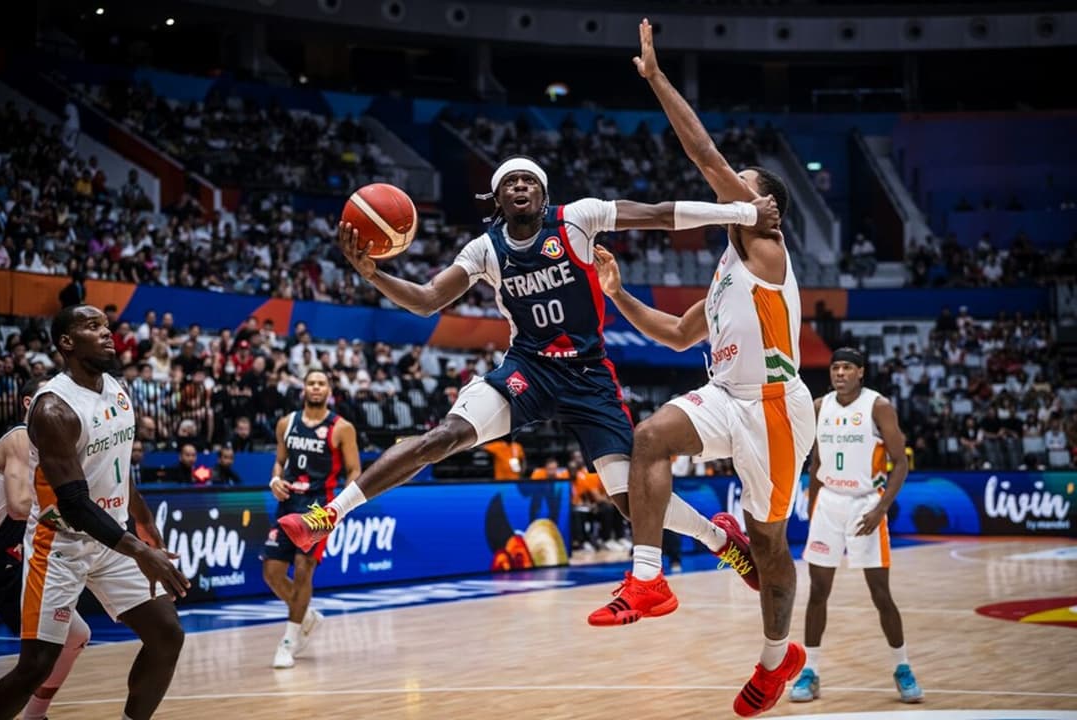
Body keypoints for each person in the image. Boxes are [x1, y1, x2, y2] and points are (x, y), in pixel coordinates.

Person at [276, 151, 779, 585]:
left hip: (588, 376)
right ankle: (329, 514)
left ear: (543, 193)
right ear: (497, 201)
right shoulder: (485, 249)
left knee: (632, 503)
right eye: (510, 183)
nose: (520, 187)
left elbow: (659, 214)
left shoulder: (578, 218)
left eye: (529, 181)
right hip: (528, 371)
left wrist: (737, 211)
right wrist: (374, 274)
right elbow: (429, 300)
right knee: (442, 437)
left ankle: (720, 539)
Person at [584, 20, 815, 719]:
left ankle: (778, 662)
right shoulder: (725, 270)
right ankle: (648, 578)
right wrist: (619, 292)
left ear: (763, 207)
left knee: (771, 544)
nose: (727, 191)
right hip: (725, 395)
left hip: (776, 405)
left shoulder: (763, 241)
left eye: (740, 188)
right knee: (649, 437)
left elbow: (705, 155)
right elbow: (676, 335)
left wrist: (655, 77)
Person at [0, 304, 189, 720]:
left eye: (106, 325)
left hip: (113, 539)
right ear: (66, 343)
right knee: (35, 666)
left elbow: (120, 472)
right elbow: (75, 504)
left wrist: (147, 525)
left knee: (167, 636)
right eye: (92, 326)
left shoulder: (116, 389)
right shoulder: (54, 408)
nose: (107, 332)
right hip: (60, 545)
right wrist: (140, 551)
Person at [790, 348, 923, 704]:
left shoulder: (878, 406)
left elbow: (901, 464)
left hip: (866, 504)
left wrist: (881, 509)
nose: (840, 373)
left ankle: (903, 666)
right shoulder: (820, 407)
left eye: (847, 367)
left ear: (861, 372)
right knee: (818, 592)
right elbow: (817, 458)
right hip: (829, 505)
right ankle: (811, 671)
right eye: (835, 367)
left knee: (881, 594)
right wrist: (813, 501)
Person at [0, 377, 92, 720]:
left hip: (10, 557)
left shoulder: (52, 448)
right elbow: (21, 506)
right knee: (42, 655)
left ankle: (35, 715)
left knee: (75, 636)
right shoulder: (22, 438)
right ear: (28, 404)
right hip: (5, 553)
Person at [263, 369, 361, 669]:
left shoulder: (342, 427)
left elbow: (354, 471)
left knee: (304, 568)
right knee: (272, 572)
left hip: (319, 508)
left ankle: (288, 642)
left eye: (321, 383)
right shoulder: (286, 423)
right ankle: (305, 616)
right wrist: (274, 480)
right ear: (304, 388)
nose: (316, 387)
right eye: (311, 383)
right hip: (288, 501)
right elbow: (280, 462)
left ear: (329, 390)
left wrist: (341, 507)